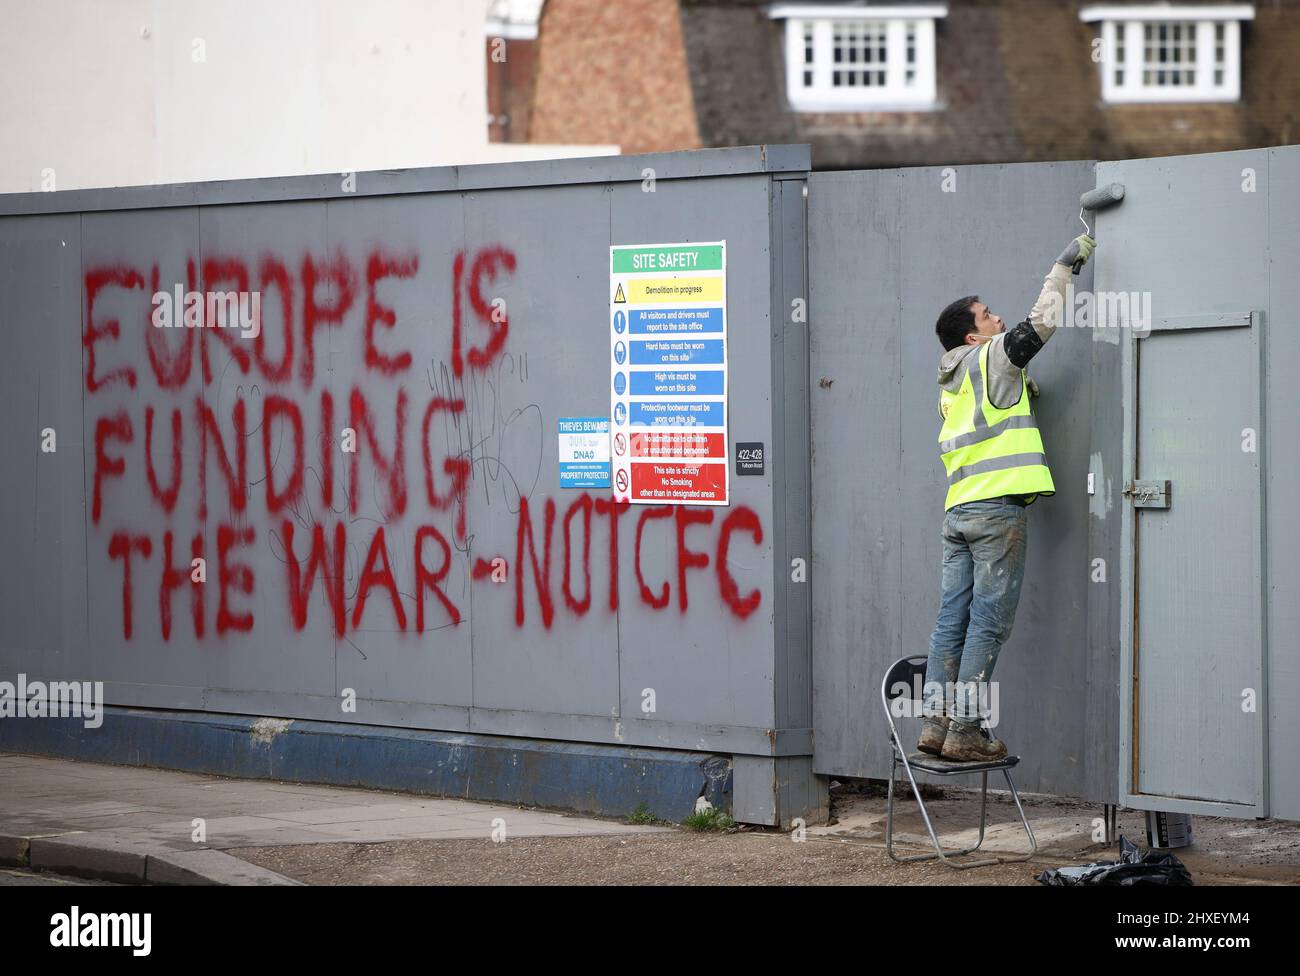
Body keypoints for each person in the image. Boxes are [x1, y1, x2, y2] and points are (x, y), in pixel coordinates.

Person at [917, 234, 1096, 762]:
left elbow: (993, 407)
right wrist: (1065, 265)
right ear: (973, 337)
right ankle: (968, 731)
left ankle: (936, 721)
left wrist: (1025, 388)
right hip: (997, 514)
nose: (998, 319)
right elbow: (1041, 322)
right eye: (988, 315)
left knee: (952, 617)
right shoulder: (992, 356)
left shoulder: (950, 383)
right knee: (989, 622)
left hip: (958, 513)